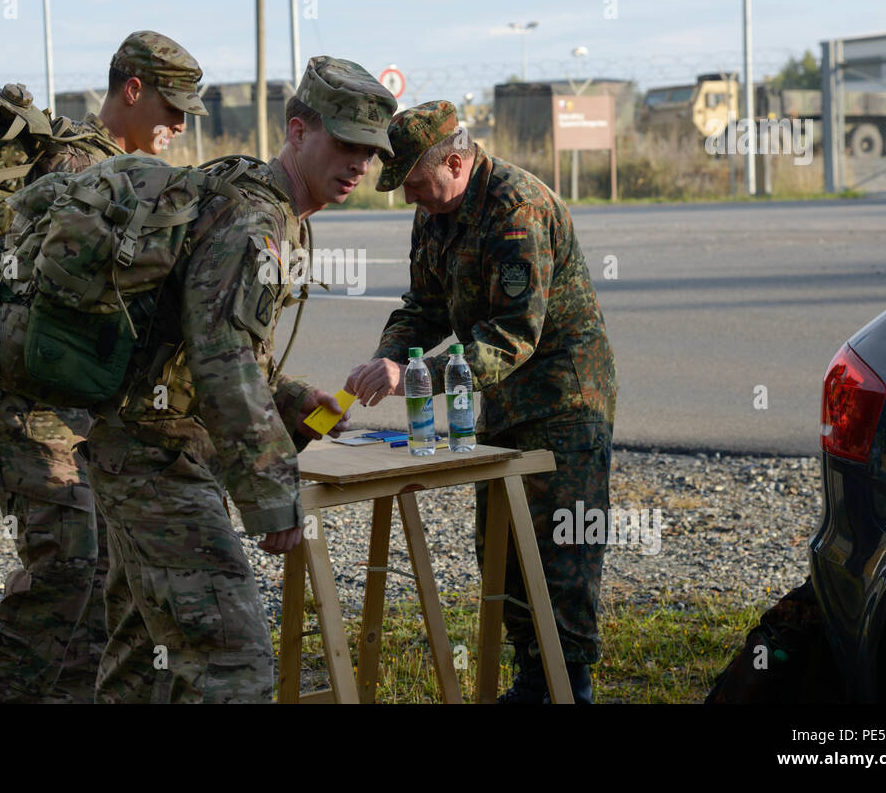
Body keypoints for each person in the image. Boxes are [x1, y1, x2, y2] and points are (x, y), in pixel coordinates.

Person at [86, 55, 399, 703]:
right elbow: (223, 354)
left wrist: (290, 398)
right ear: (299, 131)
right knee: (233, 662)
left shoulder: (262, 202)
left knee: (144, 652)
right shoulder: (259, 222)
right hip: (156, 450)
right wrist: (270, 492)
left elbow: (210, 336)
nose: (359, 164)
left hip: (140, 436)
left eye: (370, 152)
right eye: (345, 143)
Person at [0, 31, 208, 703]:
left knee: (100, 561)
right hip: (22, 393)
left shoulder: (123, 174)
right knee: (69, 559)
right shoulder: (82, 169)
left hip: (70, 391)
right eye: (171, 106)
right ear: (132, 90)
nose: (180, 124)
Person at [345, 100, 616, 704]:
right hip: (495, 401)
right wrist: (388, 359)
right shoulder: (436, 212)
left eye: (416, 182)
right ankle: (530, 679)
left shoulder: (517, 211)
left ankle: (570, 686)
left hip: (564, 400)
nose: (411, 196)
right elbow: (424, 306)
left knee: (561, 549)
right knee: (503, 547)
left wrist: (422, 376)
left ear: (458, 160)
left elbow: (513, 334)